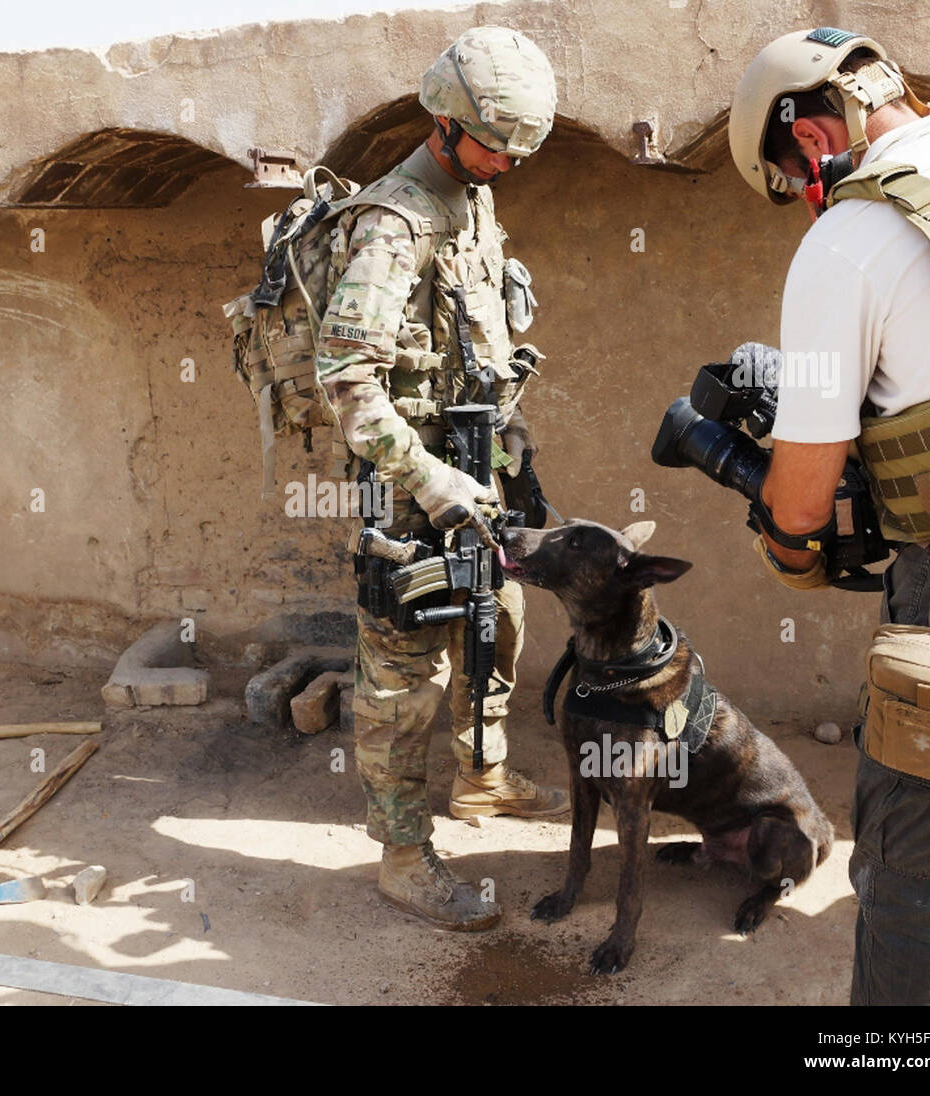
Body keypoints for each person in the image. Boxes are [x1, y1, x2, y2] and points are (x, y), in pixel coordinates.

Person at [728, 26, 930, 1003]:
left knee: (917, 877)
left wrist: (787, 546)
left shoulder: (850, 237)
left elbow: (798, 497)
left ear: (804, 140)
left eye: (790, 185)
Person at [314, 26, 569, 931]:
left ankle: (484, 776)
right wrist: (427, 482)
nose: (506, 164)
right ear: (446, 121)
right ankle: (400, 851)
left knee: (499, 621)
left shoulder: (473, 198)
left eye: (516, 151)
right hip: (411, 483)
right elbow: (344, 379)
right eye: (495, 146)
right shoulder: (393, 221)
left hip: (482, 462)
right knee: (401, 671)